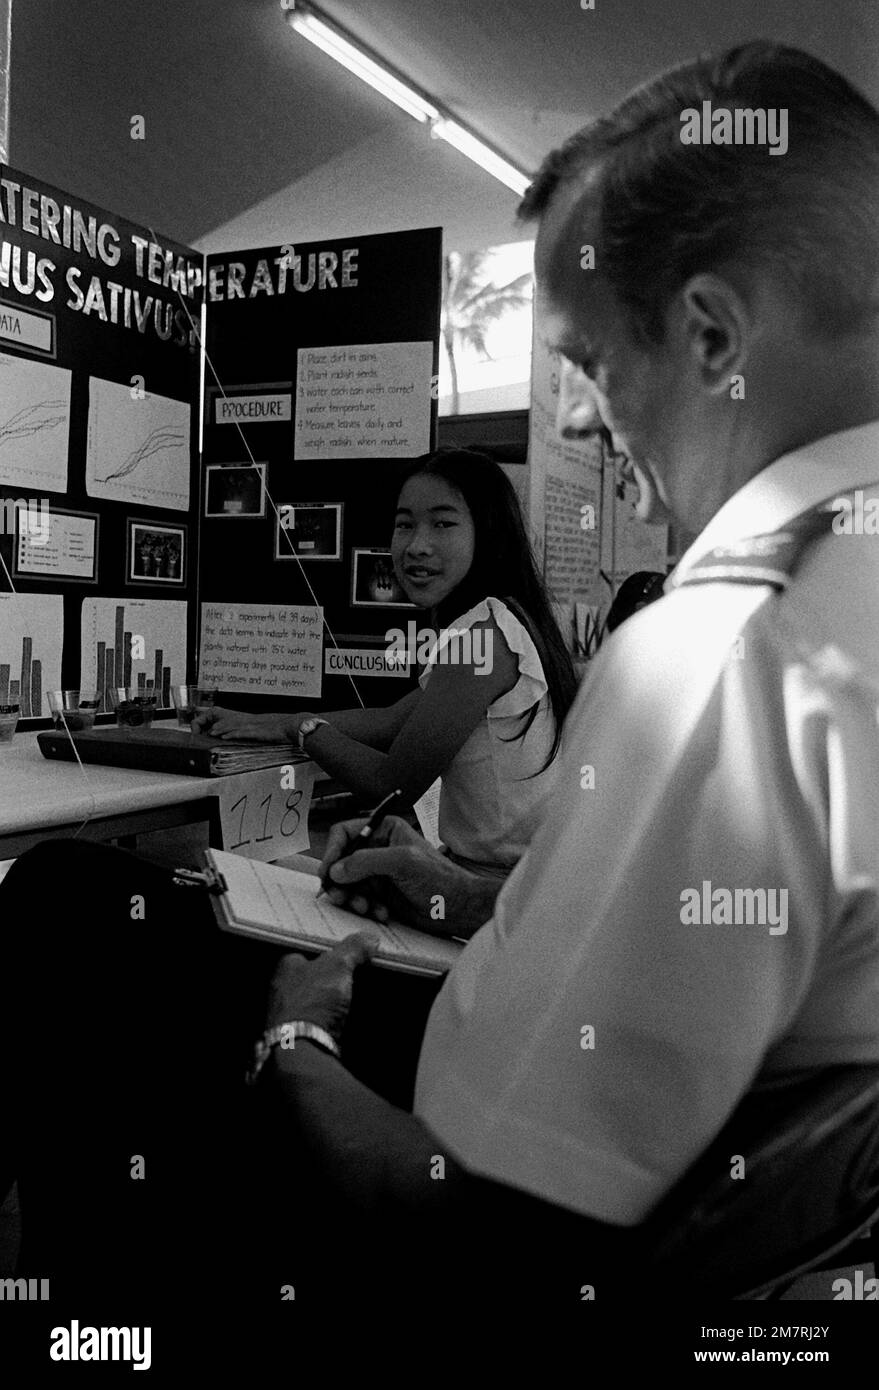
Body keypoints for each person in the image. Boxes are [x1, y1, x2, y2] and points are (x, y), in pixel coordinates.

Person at [3, 40, 879, 1315]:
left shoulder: (724, 655)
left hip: (434, 1226)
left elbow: (459, 1211)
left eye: (586, 359)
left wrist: (297, 1035)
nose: (575, 420)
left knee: (74, 907)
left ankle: (82, 1322)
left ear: (710, 334)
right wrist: (459, 887)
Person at [197, 448, 578, 880]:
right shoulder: (503, 620)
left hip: (493, 897)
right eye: (404, 525)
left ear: (488, 532)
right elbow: (393, 720)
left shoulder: (483, 639)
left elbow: (390, 787)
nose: (417, 546)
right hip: (506, 881)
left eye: (443, 523)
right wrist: (267, 721)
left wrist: (300, 729)